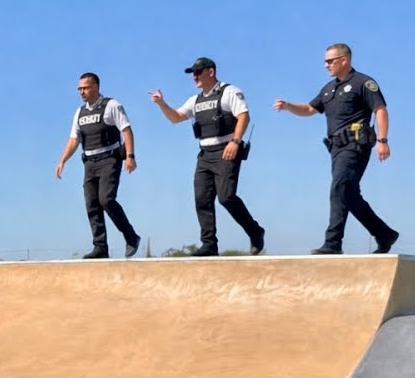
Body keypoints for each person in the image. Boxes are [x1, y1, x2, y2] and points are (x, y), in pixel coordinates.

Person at [274, 42, 400, 255]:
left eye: (330, 61)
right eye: (325, 61)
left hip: (356, 144)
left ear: (344, 60)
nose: (326, 65)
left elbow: (380, 110)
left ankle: (333, 242)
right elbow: (309, 108)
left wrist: (383, 141)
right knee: (348, 195)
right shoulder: (328, 89)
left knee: (338, 189)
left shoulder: (363, 82)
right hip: (336, 148)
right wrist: (288, 106)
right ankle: (384, 233)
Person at [149, 57, 266, 257]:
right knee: (202, 199)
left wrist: (235, 142)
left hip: (227, 150)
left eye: (198, 72)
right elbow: (176, 118)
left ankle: (255, 231)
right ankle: (209, 244)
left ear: (210, 72)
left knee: (226, 197)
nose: (194, 77)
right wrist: (161, 103)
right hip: (205, 154)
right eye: (192, 73)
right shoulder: (195, 100)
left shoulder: (229, 92)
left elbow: (244, 116)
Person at [55, 72, 142, 259]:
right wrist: (62, 160)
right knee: (92, 205)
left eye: (85, 88)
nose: (82, 92)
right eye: (79, 88)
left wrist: (130, 156)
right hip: (89, 162)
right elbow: (73, 139)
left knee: (106, 199)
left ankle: (131, 236)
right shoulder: (80, 112)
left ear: (96, 87)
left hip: (109, 159)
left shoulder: (111, 106)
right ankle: (100, 247)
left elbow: (126, 131)